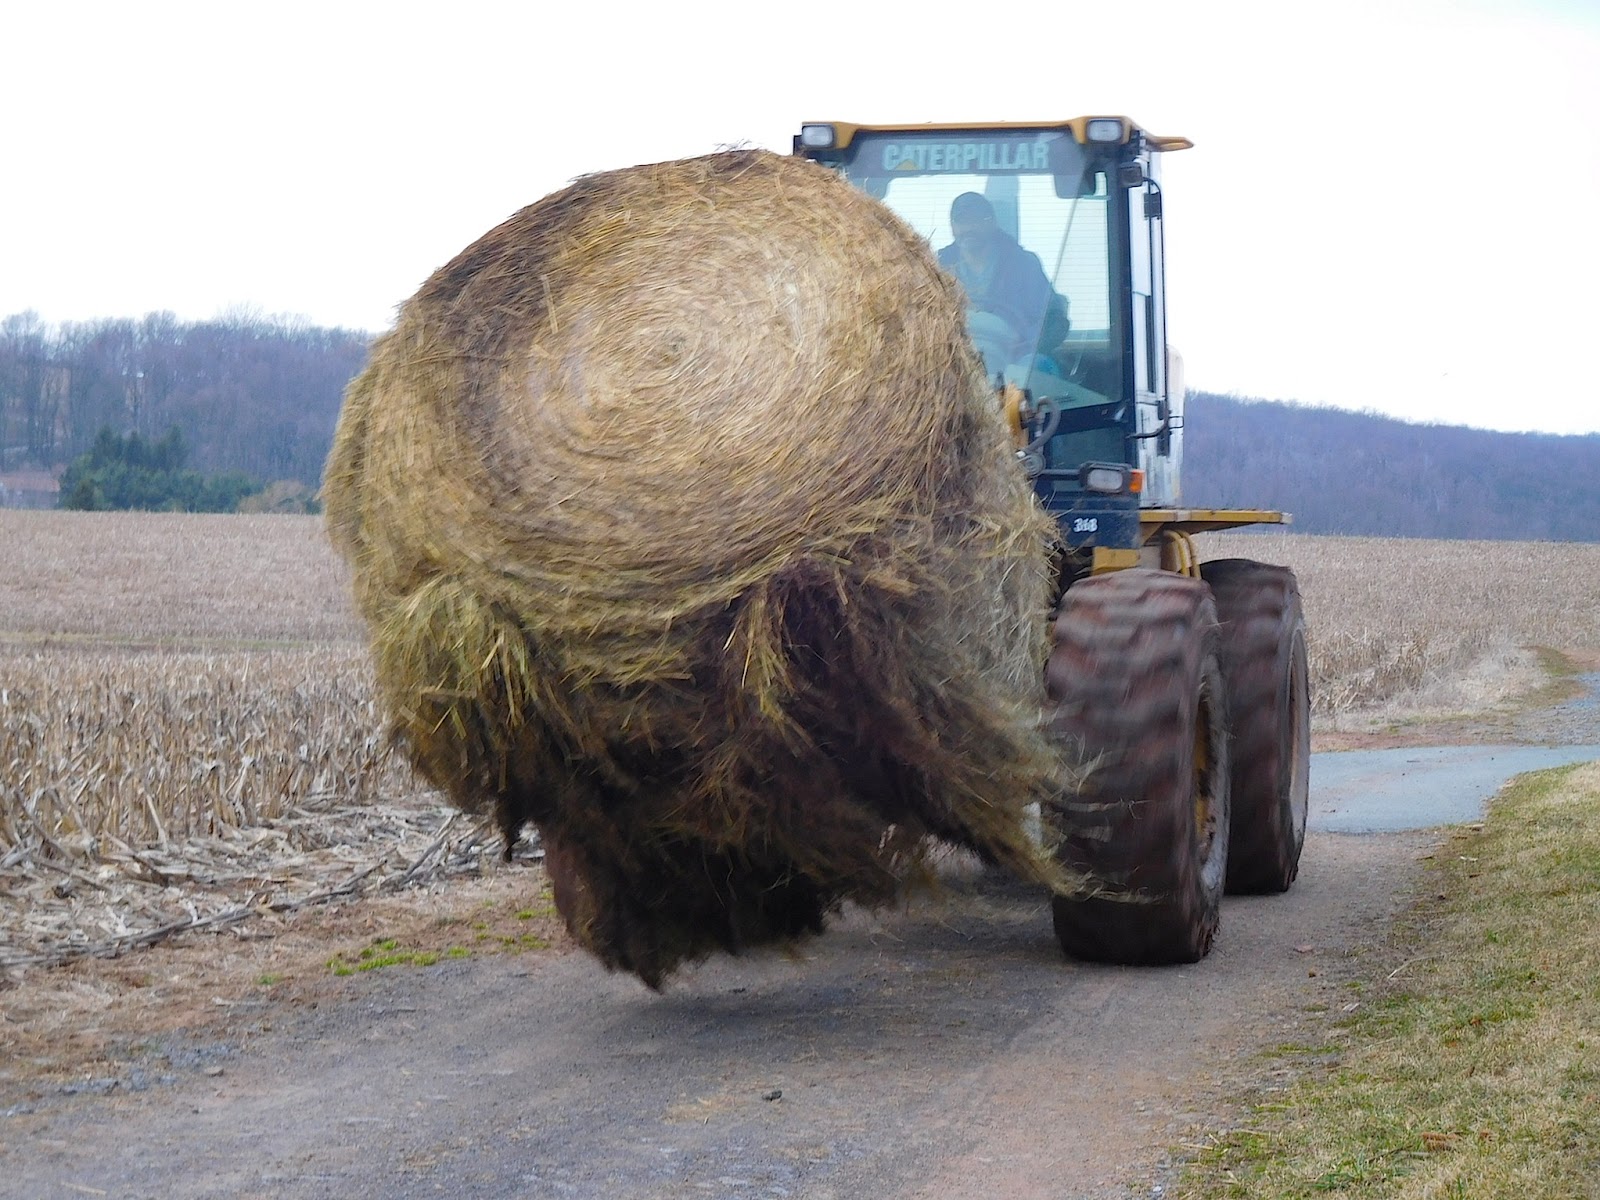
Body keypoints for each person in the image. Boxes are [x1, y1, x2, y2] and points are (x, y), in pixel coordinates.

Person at [937, 192, 1068, 375]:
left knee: (1038, 366)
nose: (968, 228)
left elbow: (1054, 320)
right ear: (952, 226)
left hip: (1015, 362)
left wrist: (1025, 346)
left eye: (976, 220)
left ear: (992, 222)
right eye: (961, 221)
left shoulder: (1025, 265)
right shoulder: (936, 268)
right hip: (956, 361)